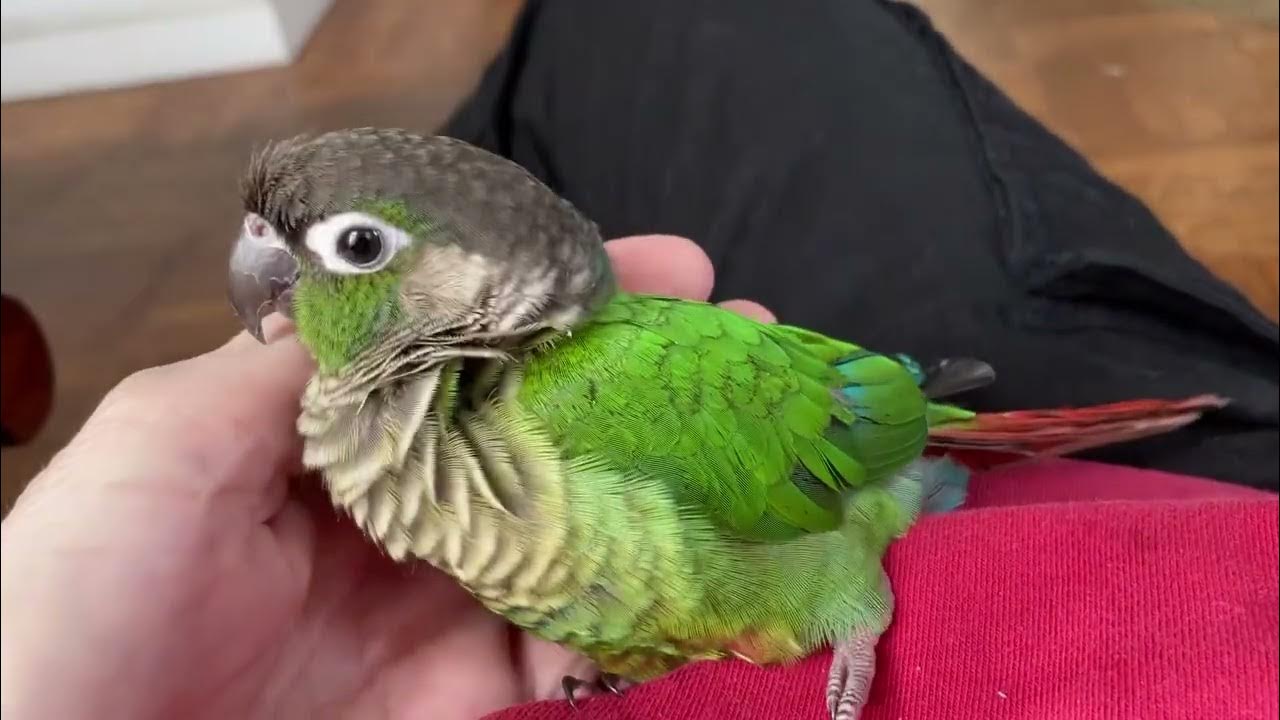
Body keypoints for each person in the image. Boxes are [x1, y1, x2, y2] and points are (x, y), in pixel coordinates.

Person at [2, 1, 1276, 718]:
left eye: (345, 245)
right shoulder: (402, 446)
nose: (263, 269)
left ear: (468, 287)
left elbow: (858, 470)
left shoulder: (593, 395)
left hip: (849, 490)